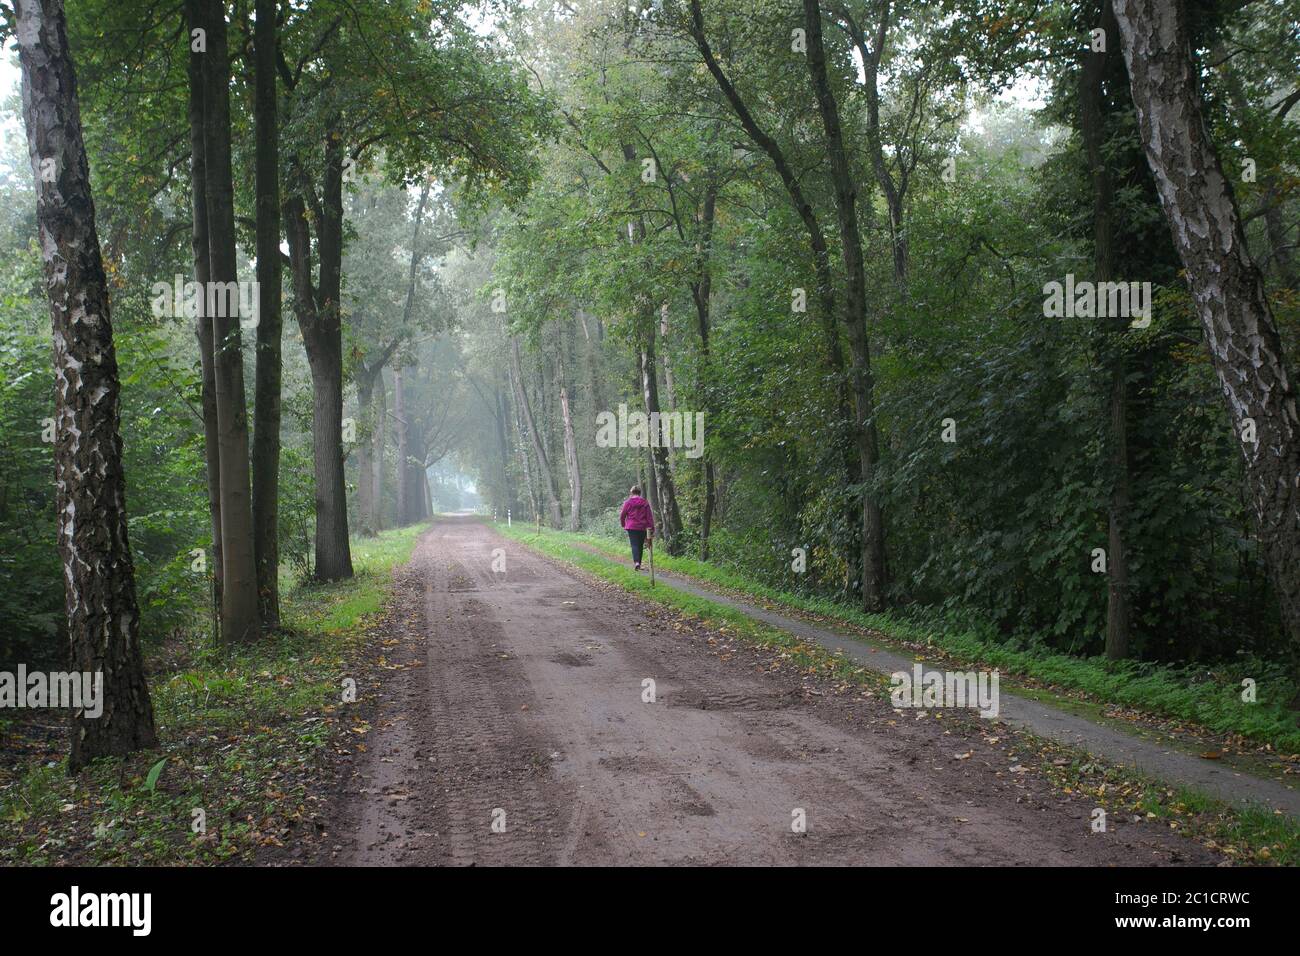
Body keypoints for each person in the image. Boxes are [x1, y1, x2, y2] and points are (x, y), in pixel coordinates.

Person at [619, 485, 655, 571]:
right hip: (642, 527)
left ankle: (637, 563)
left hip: (631, 527)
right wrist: (651, 528)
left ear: (631, 492)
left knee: (634, 544)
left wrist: (623, 524)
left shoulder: (628, 502)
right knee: (640, 545)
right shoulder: (645, 502)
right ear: (640, 492)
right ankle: (639, 563)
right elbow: (649, 516)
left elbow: (622, 515)